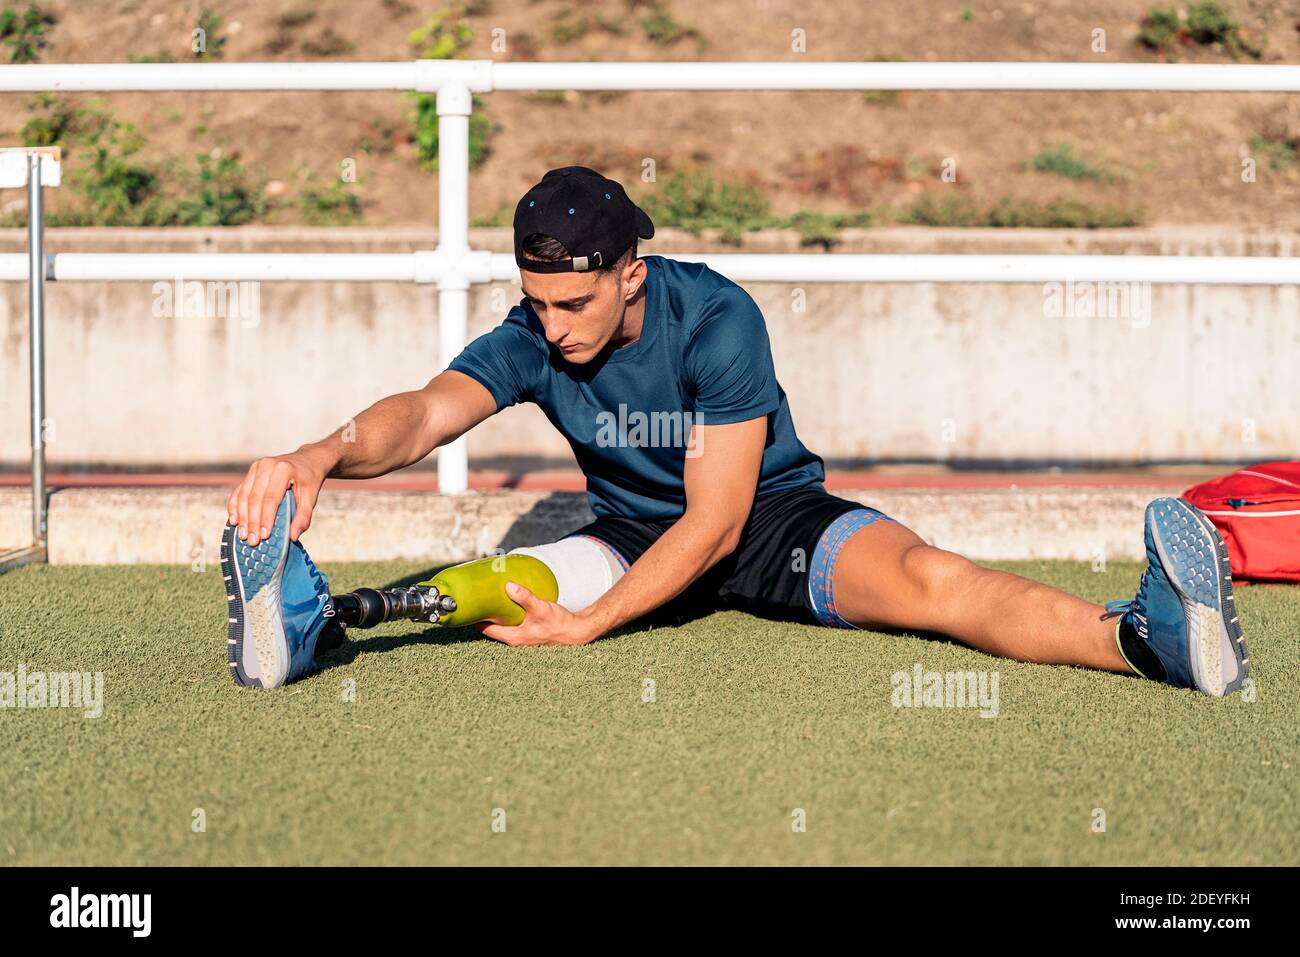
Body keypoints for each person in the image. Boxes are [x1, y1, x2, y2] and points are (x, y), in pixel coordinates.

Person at [221, 166, 1249, 696]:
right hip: (627, 531)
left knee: (939, 587)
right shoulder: (535, 331)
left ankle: (1145, 638)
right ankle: (318, 625)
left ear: (631, 271)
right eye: (535, 304)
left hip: (767, 519)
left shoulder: (715, 317)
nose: (551, 327)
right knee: (508, 580)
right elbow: (423, 413)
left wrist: (591, 624)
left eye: (571, 305)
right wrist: (321, 453)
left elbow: (714, 526)